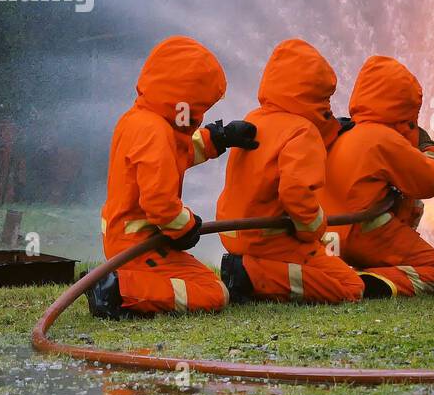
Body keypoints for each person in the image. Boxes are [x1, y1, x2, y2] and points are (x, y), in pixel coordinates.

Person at [91, 36, 259, 319]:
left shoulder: (140, 119)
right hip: (139, 246)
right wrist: (187, 227)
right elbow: (160, 204)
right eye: (201, 106)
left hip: (126, 239)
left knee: (202, 281)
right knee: (212, 293)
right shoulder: (154, 133)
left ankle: (121, 282)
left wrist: (220, 137)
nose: (202, 113)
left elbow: (177, 154)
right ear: (185, 100)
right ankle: (118, 290)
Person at [217, 39, 365, 303]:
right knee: (350, 286)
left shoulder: (255, 118)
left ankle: (250, 270)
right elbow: (295, 192)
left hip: (234, 236)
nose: (328, 105)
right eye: (325, 98)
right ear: (311, 95)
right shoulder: (302, 132)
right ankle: (251, 275)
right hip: (270, 241)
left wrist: (332, 129)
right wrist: (314, 231)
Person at [323, 55, 434, 298]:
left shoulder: (344, 133)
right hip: (367, 234)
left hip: (329, 238)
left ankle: (357, 274)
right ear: (404, 105)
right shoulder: (385, 139)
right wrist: (428, 147)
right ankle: (370, 283)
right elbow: (430, 182)